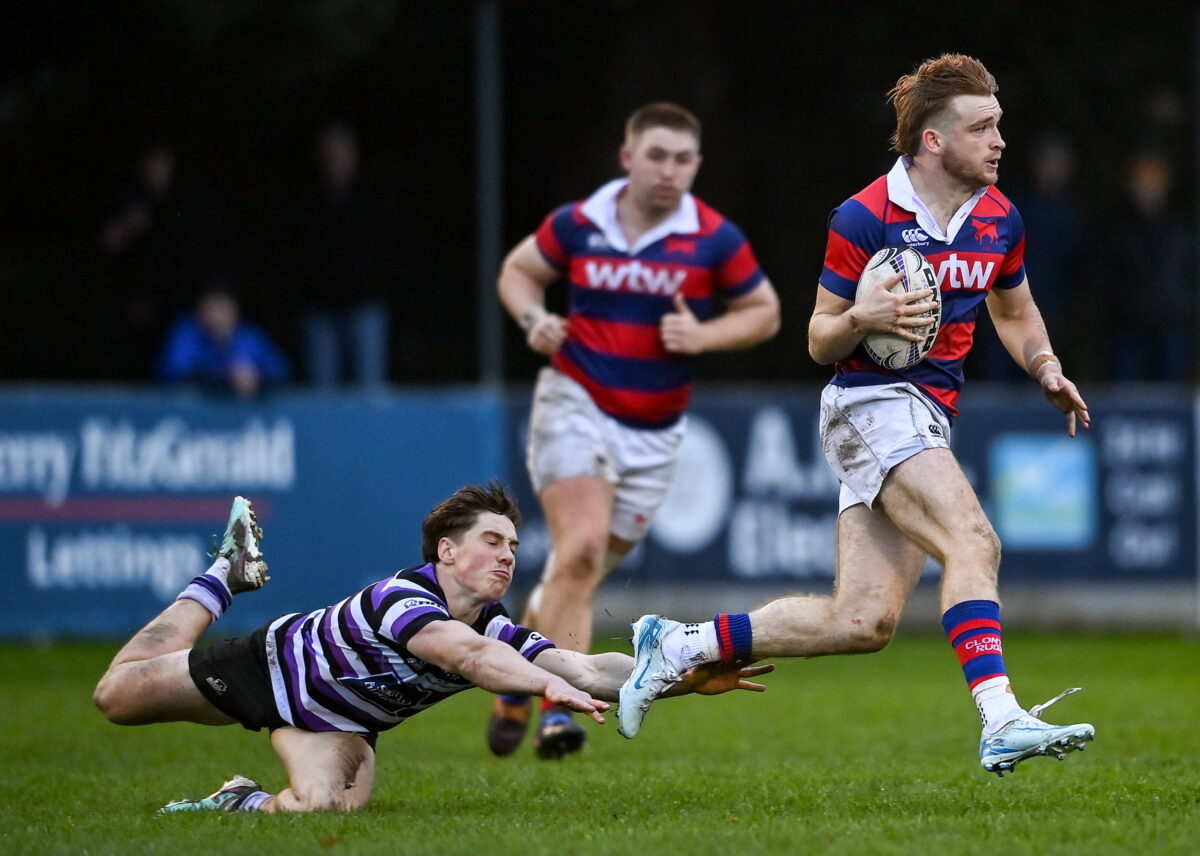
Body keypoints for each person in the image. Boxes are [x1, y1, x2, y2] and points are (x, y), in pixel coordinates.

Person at [616, 55, 1096, 778]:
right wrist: (861, 316)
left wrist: (1045, 366)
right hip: (868, 405)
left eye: (999, 125)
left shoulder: (1000, 217)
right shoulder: (865, 215)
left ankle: (680, 645)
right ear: (933, 141)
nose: (1000, 141)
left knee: (862, 622)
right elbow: (818, 338)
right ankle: (1000, 718)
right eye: (983, 127)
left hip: (926, 415)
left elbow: (1016, 311)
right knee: (974, 540)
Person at [92, 485, 769, 814]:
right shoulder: (403, 598)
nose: (506, 557)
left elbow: (589, 666)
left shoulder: (495, 623)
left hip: (343, 721)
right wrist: (545, 688)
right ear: (447, 551)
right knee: (114, 697)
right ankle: (222, 577)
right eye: (491, 542)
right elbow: (467, 661)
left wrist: (682, 676)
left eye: (512, 546)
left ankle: (234, 801)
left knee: (327, 811)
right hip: (267, 672)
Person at [491, 102, 781, 759]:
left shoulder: (713, 237)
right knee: (584, 548)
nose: (668, 171)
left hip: (653, 434)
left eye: (682, 160)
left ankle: (512, 680)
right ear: (628, 158)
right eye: (656, 155)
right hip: (575, 400)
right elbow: (517, 272)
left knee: (575, 572)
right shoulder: (581, 222)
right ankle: (559, 711)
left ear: (696, 167)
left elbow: (764, 313)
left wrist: (705, 334)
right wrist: (534, 317)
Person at [292, 120, 397, 389]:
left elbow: (391, 250)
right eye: (329, 150)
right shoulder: (307, 201)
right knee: (323, 394)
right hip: (320, 310)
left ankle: (372, 433)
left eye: (341, 149)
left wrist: (377, 285)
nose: (335, 157)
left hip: (365, 306)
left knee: (369, 391)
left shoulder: (373, 198)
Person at [156, 284, 292, 398]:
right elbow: (175, 371)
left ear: (235, 310)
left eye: (224, 308)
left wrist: (258, 375)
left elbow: (281, 370)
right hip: (196, 414)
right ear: (201, 311)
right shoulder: (187, 332)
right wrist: (226, 376)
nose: (218, 316)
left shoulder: (249, 335)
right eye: (213, 308)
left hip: (244, 414)